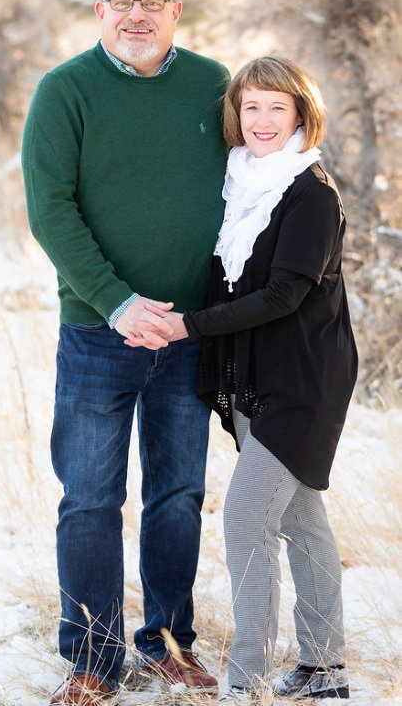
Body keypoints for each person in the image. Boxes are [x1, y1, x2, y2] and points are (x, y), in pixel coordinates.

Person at [22, 0, 229, 705]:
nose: (135, 14)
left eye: (152, 1)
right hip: (96, 331)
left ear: (177, 11)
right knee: (88, 498)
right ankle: (93, 658)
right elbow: (51, 211)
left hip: (187, 331)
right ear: (100, 11)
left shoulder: (216, 85)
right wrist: (116, 302)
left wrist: (213, 309)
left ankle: (168, 644)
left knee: (176, 495)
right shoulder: (64, 91)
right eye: (120, 1)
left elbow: (254, 183)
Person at [129, 56, 358, 704]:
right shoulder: (239, 183)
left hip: (303, 380)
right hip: (256, 378)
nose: (261, 120)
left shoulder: (309, 192)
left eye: (275, 107)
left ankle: (246, 679)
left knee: (245, 518)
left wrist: (187, 328)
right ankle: (324, 668)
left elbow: (284, 293)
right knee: (302, 519)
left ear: (299, 115)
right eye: (250, 106)